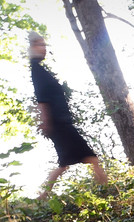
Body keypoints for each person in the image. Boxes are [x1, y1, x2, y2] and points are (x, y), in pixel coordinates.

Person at [28, 32, 108, 198]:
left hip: (61, 123)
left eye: (44, 45)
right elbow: (42, 98)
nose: (44, 49)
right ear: (32, 47)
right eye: (40, 45)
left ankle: (42, 196)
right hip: (59, 124)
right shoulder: (37, 71)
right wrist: (47, 122)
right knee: (91, 158)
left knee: (65, 163)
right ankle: (107, 191)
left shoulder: (39, 70)